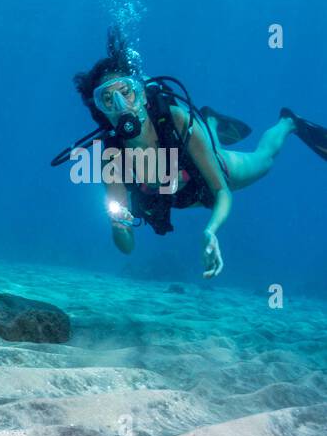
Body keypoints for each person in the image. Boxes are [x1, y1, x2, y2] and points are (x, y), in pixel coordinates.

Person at [70, 33, 327, 278]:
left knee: (263, 161)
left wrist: (211, 231)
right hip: (182, 193)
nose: (120, 104)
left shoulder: (175, 119)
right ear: (100, 110)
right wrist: (118, 225)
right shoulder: (112, 156)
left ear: (138, 92)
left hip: (220, 173)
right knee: (203, 143)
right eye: (107, 98)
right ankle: (211, 123)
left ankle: (288, 123)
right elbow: (127, 247)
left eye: (125, 91)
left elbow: (222, 192)